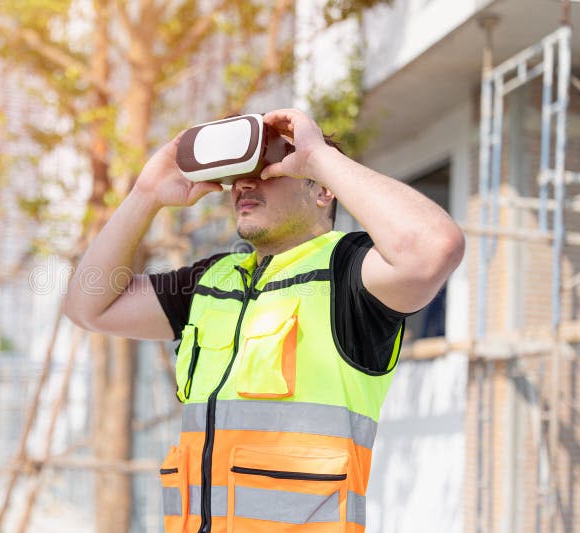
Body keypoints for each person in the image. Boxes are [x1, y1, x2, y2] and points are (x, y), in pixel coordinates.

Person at [65, 108, 464, 533]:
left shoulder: (349, 274)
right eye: (239, 174)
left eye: (271, 168)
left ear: (323, 190)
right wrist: (145, 194)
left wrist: (322, 159)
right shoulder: (211, 281)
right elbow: (87, 306)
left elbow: (434, 248)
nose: (245, 184)